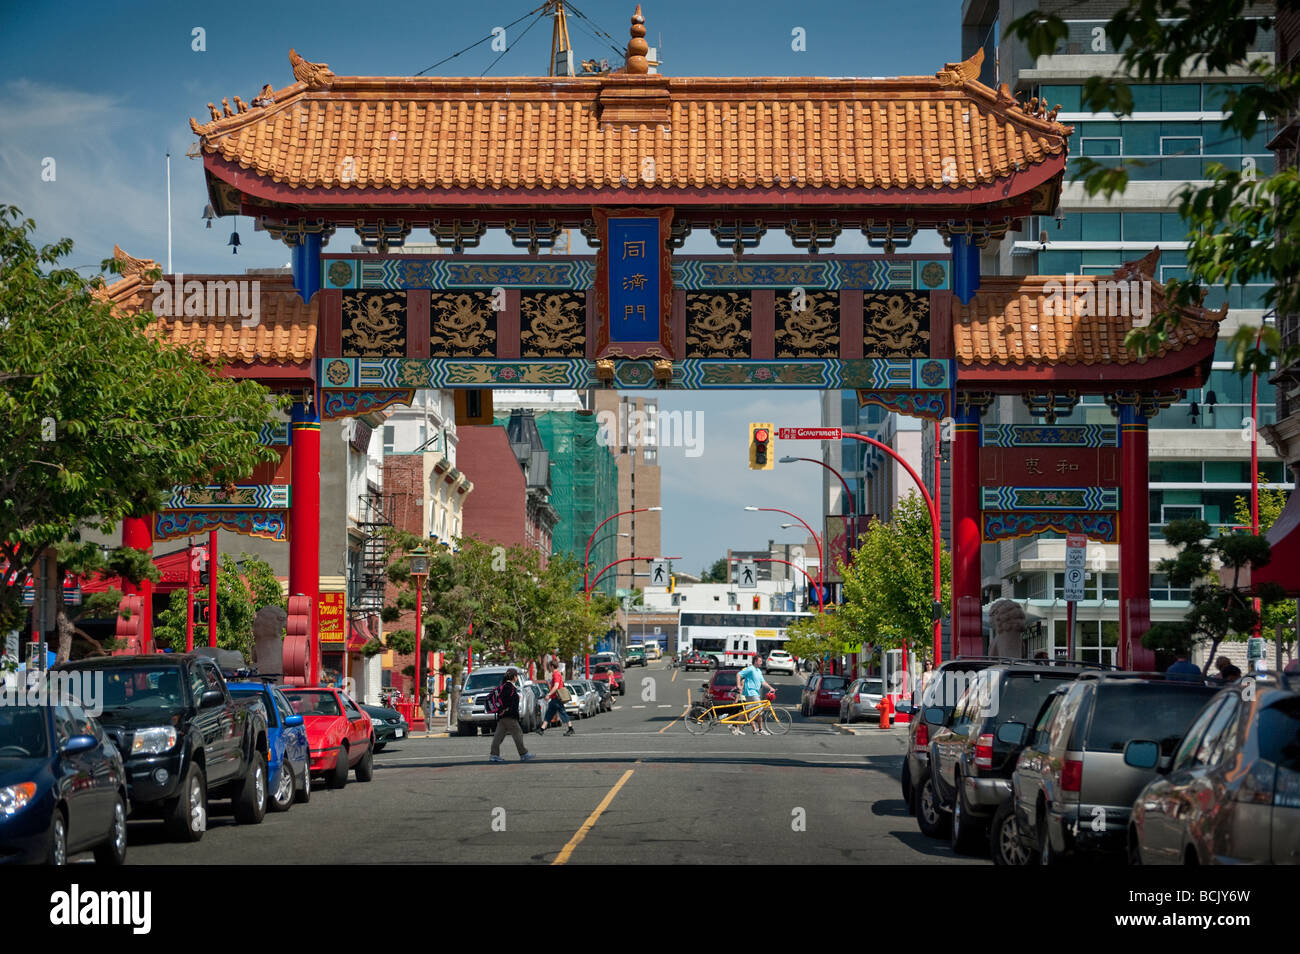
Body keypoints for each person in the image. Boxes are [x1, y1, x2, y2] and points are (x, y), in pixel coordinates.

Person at [489, 669, 535, 763]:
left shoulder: (503, 686)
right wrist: (507, 709)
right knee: (518, 734)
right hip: (509, 716)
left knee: (498, 736)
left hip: (502, 717)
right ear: (514, 677)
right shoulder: (509, 687)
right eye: (516, 676)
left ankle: (494, 755)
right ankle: (523, 754)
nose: (517, 678)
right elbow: (508, 701)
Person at [735, 655, 776, 736]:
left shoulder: (758, 671)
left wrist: (771, 688)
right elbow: (738, 674)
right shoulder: (750, 669)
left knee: (747, 711)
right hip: (751, 692)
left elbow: (763, 682)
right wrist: (738, 685)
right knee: (759, 710)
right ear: (755, 661)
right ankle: (760, 729)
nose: (761, 663)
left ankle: (735, 726)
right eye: (760, 661)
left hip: (755, 693)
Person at [542, 660, 575, 736]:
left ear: (552, 666)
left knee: (562, 713)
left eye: (549, 667)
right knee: (549, 713)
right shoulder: (556, 674)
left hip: (557, 698)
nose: (549, 668)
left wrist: (549, 694)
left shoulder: (556, 674)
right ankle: (541, 729)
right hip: (555, 698)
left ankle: (571, 728)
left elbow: (556, 686)